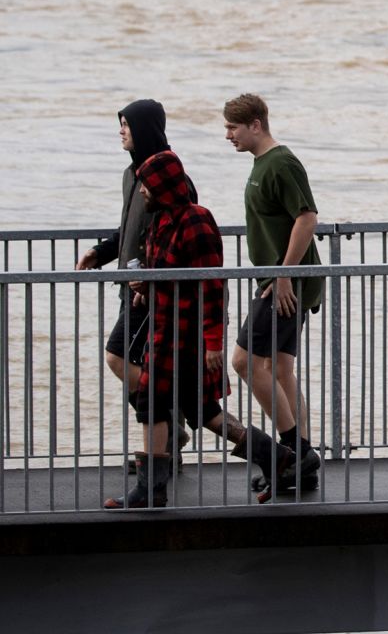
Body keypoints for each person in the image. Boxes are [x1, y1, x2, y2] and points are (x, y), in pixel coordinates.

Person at [104, 149, 293, 509]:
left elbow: (213, 286)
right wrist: (145, 287)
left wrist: (213, 344)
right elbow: (162, 272)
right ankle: (274, 455)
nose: (142, 191)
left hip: (186, 337)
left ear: (165, 184)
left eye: (147, 184)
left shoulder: (197, 222)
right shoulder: (160, 221)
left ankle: (149, 491)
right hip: (163, 330)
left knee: (150, 403)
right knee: (203, 410)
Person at [76, 99, 190, 469]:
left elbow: (178, 232)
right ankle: (164, 445)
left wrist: (152, 277)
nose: (121, 131)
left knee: (119, 357)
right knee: (130, 361)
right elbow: (130, 229)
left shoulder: (171, 176)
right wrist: (102, 252)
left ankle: (173, 421)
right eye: (120, 124)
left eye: (126, 124)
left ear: (144, 129)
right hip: (132, 286)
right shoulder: (132, 174)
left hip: (153, 289)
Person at [223, 93, 321, 493]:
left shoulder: (281, 163)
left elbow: (307, 217)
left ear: (256, 125)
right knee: (280, 369)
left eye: (233, 127)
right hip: (280, 280)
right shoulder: (261, 164)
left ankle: (293, 453)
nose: (227, 135)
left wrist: (283, 275)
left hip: (284, 284)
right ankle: (301, 462)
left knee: (244, 362)